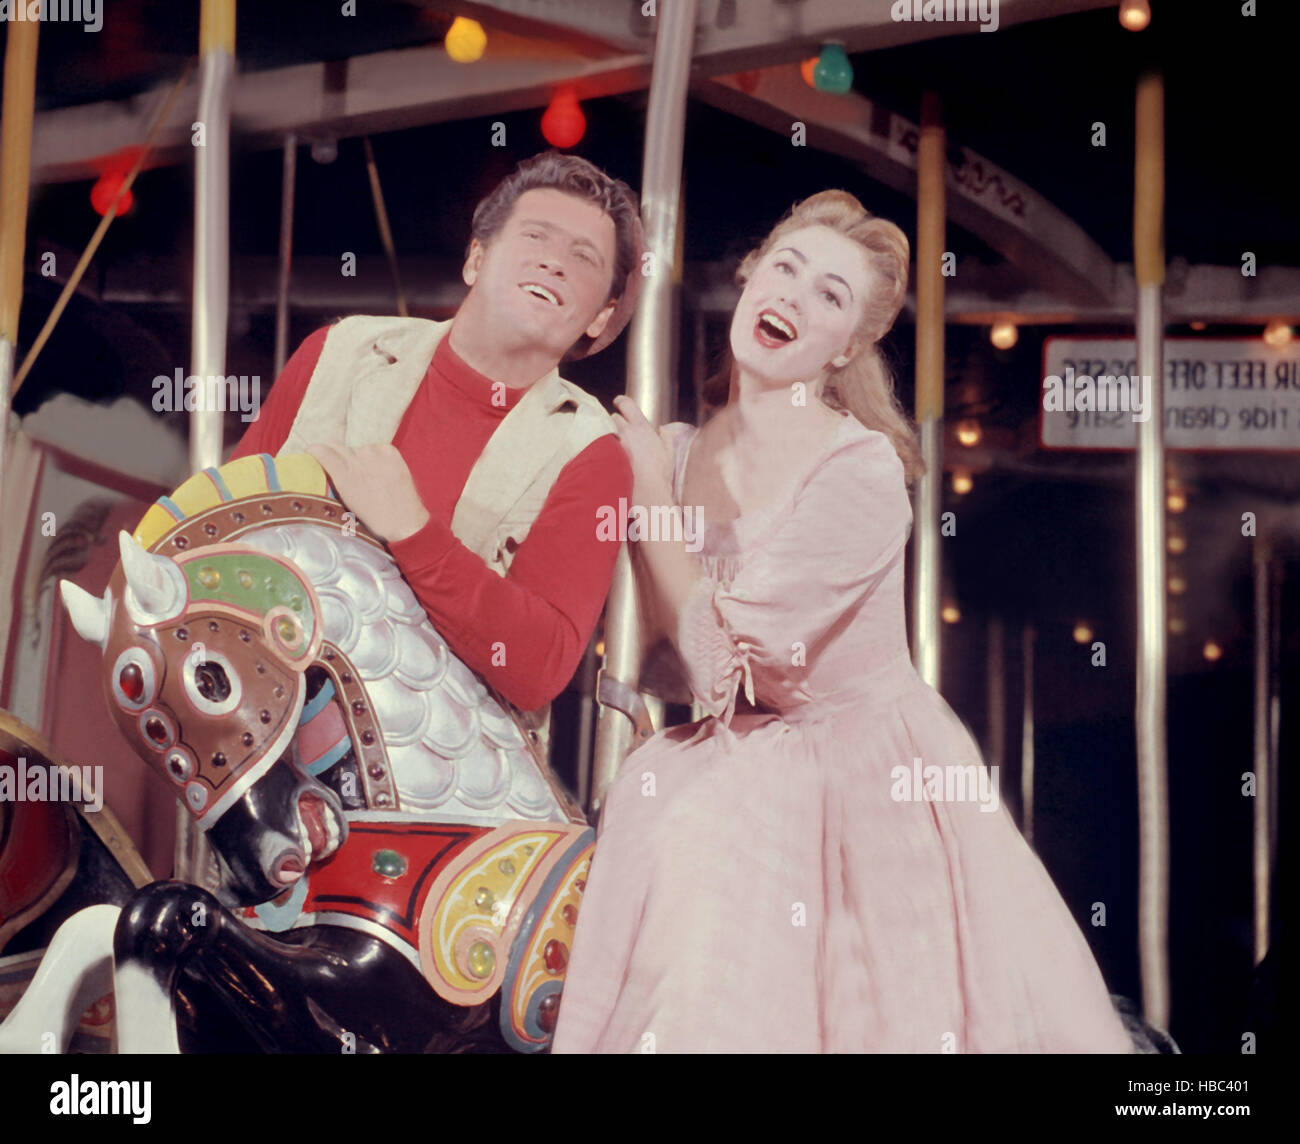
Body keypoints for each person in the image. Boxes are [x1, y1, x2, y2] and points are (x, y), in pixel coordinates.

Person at [550, 190, 1134, 1053]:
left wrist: (647, 503)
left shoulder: (857, 472)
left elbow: (721, 661)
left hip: (866, 766)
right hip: (734, 751)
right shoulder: (674, 450)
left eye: (830, 295)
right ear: (750, 275)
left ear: (849, 345)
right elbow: (654, 646)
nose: (793, 294)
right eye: (785, 267)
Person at [230, 152, 642, 754]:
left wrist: (413, 532)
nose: (554, 262)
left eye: (584, 259)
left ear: (600, 316)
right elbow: (222, 526)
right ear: (477, 258)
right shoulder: (337, 353)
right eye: (535, 236)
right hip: (257, 727)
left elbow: (537, 667)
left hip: (442, 775)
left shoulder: (591, 452)